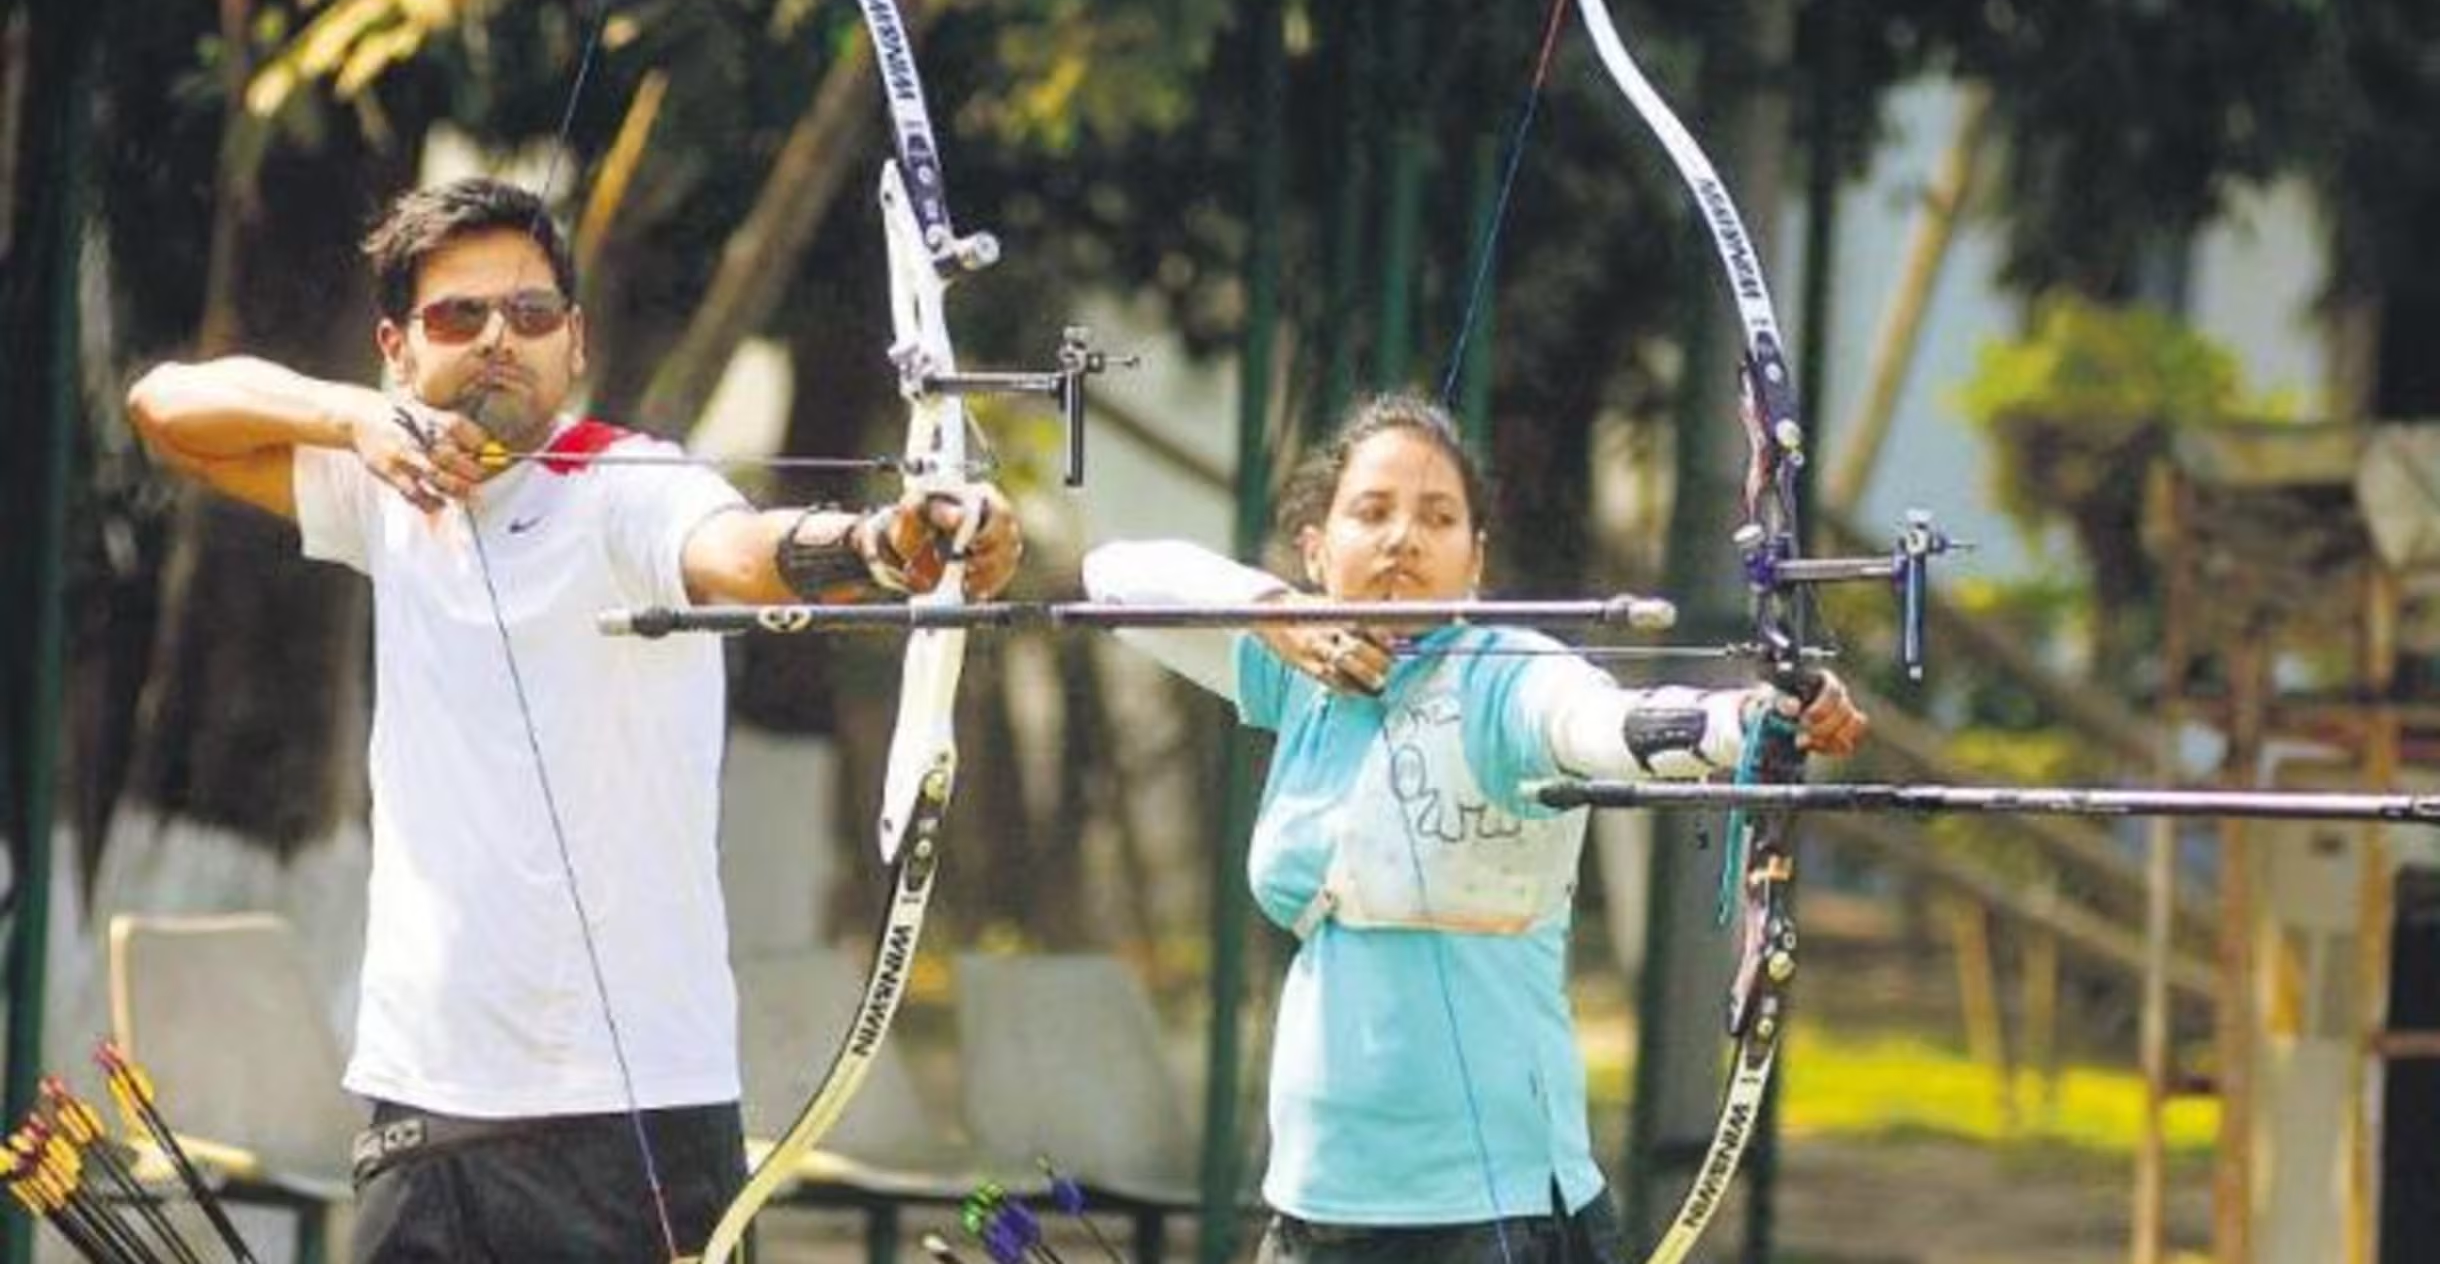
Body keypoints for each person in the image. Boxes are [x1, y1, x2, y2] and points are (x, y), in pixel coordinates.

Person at [124, 175, 1022, 1262]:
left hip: (631, 1122)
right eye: (461, 315)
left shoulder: (631, 487)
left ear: (576, 341)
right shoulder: (389, 491)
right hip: (427, 1110)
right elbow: (167, 411)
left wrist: (889, 546)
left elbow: (743, 553)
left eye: (532, 314)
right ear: (397, 345)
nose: (502, 338)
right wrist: (355, 416)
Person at [1081, 391, 1866, 1264]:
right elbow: (1112, 579)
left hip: (1493, 1217)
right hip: (1317, 1204)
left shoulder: (1507, 677)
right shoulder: (1296, 677)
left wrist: (1749, 721)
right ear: (1316, 549)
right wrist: (1277, 615)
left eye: (1438, 517)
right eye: (1370, 513)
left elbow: (1603, 725)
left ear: (1476, 560)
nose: (1402, 538)